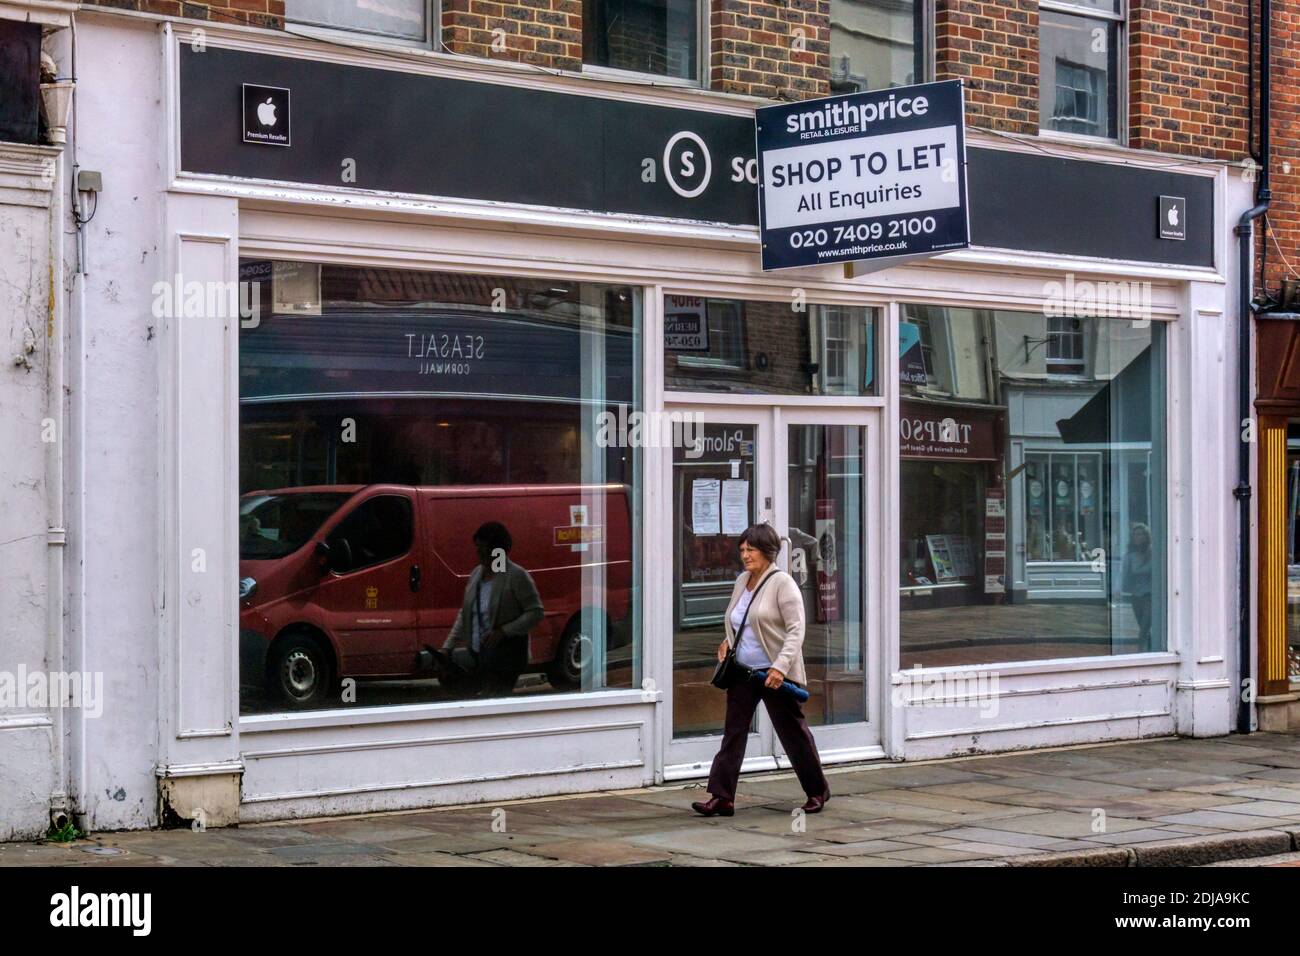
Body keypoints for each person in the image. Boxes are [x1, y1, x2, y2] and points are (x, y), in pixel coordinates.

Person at [691, 523, 830, 818]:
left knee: (793, 733)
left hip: (771, 673)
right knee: (733, 733)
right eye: (742, 549)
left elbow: (796, 630)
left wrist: (780, 667)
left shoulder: (783, 584)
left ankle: (817, 791)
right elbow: (738, 619)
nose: (744, 555)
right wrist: (727, 642)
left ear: (767, 551)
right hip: (743, 671)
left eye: (750, 549)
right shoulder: (743, 580)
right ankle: (721, 797)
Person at [440, 521, 544, 697]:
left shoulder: (516, 576)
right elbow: (465, 614)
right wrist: (448, 646)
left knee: (493, 699)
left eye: (484, 547)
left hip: (505, 658)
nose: (479, 552)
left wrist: (504, 631)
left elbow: (535, 612)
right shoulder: (476, 574)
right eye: (478, 546)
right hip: (478, 655)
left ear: (499, 550)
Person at [1123, 523, 1153, 643]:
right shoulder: (1130, 555)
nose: (1137, 537)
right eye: (1134, 535)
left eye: (1140, 534)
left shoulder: (1152, 553)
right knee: (1142, 625)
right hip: (1136, 594)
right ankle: (1149, 648)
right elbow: (1124, 573)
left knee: (1144, 628)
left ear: (1146, 536)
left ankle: (1141, 650)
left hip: (1149, 594)